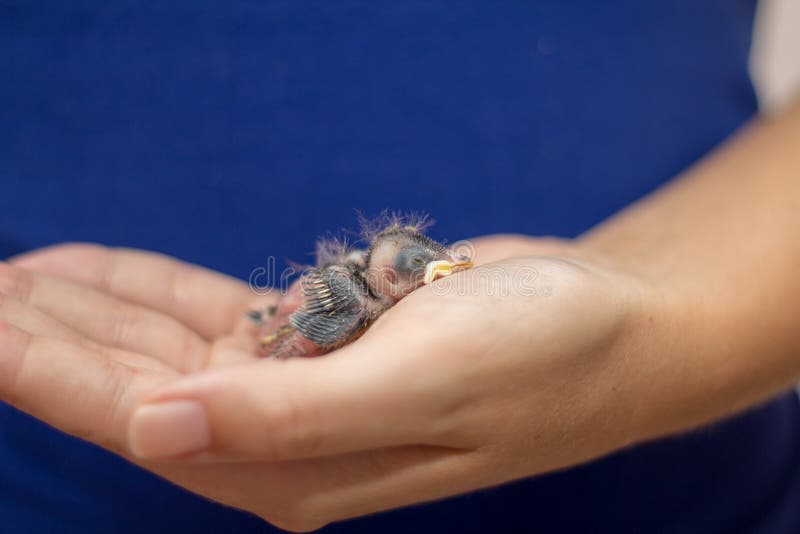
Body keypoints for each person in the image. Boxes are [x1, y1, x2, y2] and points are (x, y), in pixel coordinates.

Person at [1, 2, 799, 532]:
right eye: (413, 271)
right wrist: (300, 331)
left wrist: (655, 319)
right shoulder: (353, 289)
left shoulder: (412, 273)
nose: (431, 274)